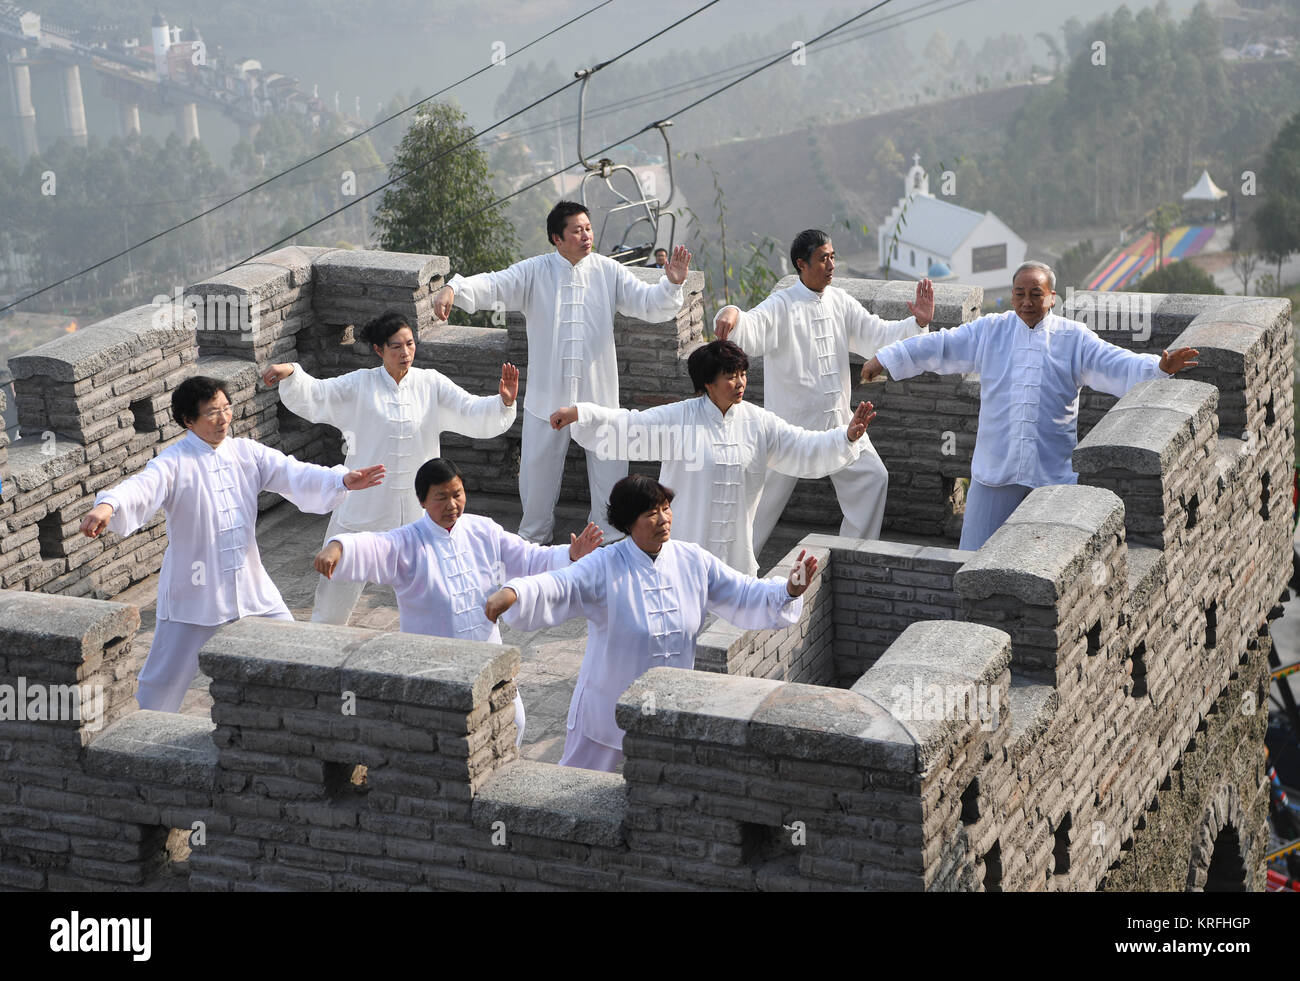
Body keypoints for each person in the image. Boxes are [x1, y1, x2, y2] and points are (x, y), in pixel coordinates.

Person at [79, 376, 385, 712]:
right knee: (163, 680)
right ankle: (141, 738)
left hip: (249, 587)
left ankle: (305, 724)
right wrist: (108, 505)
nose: (224, 419)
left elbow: (293, 472)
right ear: (188, 421)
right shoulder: (175, 462)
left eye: (226, 409)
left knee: (294, 651)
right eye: (212, 413)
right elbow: (141, 486)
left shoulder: (245, 453)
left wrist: (340, 478)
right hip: (195, 594)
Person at [483, 474, 817, 772]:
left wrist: (787, 590)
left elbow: (743, 592)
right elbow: (560, 584)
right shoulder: (605, 564)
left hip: (670, 700)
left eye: (665, 508)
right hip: (608, 701)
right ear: (629, 523)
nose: (663, 519)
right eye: (650, 513)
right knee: (577, 781)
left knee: (667, 782)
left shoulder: (692, 560)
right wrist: (515, 592)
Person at [860, 260, 1200, 550]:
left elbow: (1115, 364)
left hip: (1050, 472)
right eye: (1019, 294)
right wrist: (887, 358)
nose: (1026, 301)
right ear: (1011, 297)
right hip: (995, 470)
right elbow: (942, 346)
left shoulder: (1073, 338)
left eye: (1036, 293)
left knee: (1052, 559)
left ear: (1052, 297)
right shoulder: (991, 331)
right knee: (973, 556)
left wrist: (1157, 368)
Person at [432, 200, 692, 545]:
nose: (586, 236)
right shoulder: (535, 272)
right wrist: (454, 288)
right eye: (577, 230)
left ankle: (609, 543)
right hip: (545, 398)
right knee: (536, 482)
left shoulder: (607, 271)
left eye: (588, 228)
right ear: (557, 238)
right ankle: (533, 546)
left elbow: (647, 302)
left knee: (611, 482)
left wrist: (671, 285)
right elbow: (494, 284)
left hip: (598, 401)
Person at [312, 458, 604, 747]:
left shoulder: (483, 530)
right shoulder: (408, 542)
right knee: (447, 735)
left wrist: (571, 554)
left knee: (513, 721)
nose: (452, 504)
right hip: (433, 663)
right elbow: (372, 544)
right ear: (423, 501)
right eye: (441, 497)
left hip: (488, 654)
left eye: (457, 494)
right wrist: (337, 547)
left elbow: (528, 557)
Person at [262, 311, 518, 626]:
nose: (405, 352)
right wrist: (292, 374)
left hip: (416, 513)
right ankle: (320, 652)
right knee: (333, 600)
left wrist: (502, 403)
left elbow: (470, 410)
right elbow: (318, 394)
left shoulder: (431, 384)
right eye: (395, 346)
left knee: (432, 596)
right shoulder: (360, 385)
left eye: (410, 344)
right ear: (379, 350)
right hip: (363, 506)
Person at [548, 339, 875, 575]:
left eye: (743, 374)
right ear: (707, 383)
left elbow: (803, 446)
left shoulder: (758, 423)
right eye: (731, 376)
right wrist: (580, 413)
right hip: (686, 550)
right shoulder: (680, 418)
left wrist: (845, 437)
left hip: (735, 555)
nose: (740, 382)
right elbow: (630, 424)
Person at [715, 229, 933, 551]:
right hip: (787, 429)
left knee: (873, 478)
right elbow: (751, 326)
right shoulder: (782, 306)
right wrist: (730, 312)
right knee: (757, 504)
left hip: (838, 426)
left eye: (833, 257)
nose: (831, 265)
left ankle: (850, 556)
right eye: (823, 258)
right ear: (801, 264)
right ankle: (736, 569)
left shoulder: (840, 302)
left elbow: (876, 333)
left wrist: (916, 325)